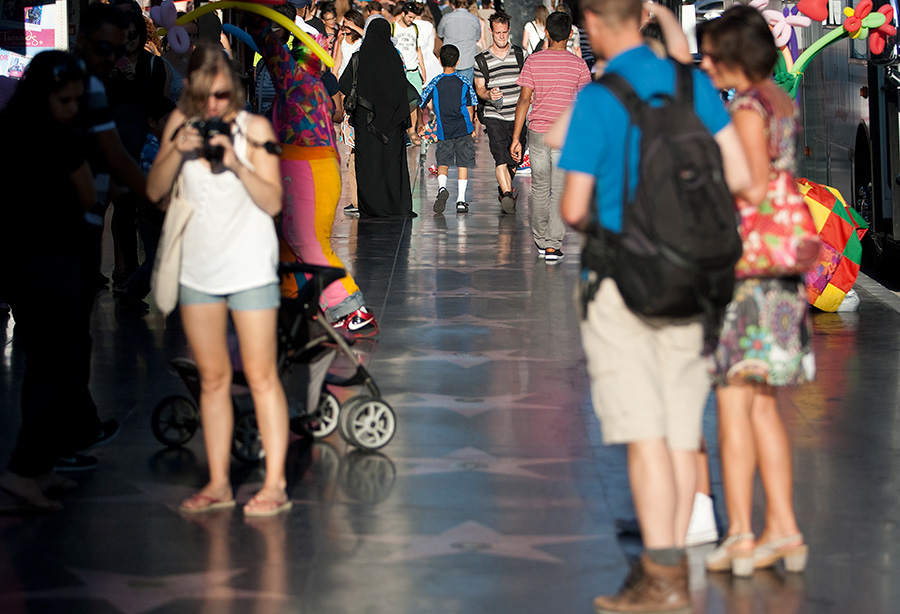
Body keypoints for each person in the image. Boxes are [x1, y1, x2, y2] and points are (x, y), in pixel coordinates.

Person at [557, 0, 750, 610]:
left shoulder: (598, 97)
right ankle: (672, 568)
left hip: (623, 287)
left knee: (643, 436)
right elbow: (742, 175)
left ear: (591, 22)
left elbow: (570, 209)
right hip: (694, 281)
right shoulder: (694, 84)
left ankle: (662, 575)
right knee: (678, 428)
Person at [146, 43, 291, 517]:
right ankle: (219, 482)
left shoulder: (256, 130)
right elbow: (153, 190)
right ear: (189, 92)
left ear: (237, 93)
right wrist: (176, 150)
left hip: (249, 267)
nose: (213, 106)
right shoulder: (178, 126)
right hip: (198, 272)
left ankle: (274, 484)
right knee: (211, 379)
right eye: (204, 96)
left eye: (223, 96)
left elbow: (272, 202)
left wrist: (235, 161)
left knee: (262, 376)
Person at [700, 4, 813, 577]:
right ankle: (785, 530)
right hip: (782, 269)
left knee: (732, 400)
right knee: (765, 403)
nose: (706, 60)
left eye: (714, 51)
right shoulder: (780, 100)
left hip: (747, 270)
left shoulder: (746, 107)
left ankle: (742, 532)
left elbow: (746, 181)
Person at [0, 51, 96, 510]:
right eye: (65, 100)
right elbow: (85, 191)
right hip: (47, 261)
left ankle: (38, 466)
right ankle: (24, 468)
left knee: (48, 362)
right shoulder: (55, 137)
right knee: (56, 364)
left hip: (24, 261)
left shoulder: (11, 126)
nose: (73, 108)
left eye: (77, 100)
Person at [247, 12, 380, 335]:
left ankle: (352, 308)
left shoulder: (295, 82)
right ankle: (294, 304)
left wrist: (260, 15)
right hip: (310, 169)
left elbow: (266, 40)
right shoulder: (313, 84)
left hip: (308, 169)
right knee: (289, 243)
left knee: (309, 244)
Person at [511, 10, 589, 261]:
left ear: (546, 32)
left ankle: (541, 238)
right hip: (565, 135)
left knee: (540, 187)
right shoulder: (579, 65)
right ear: (570, 34)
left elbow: (524, 100)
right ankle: (553, 244)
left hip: (537, 132)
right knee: (559, 189)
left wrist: (516, 137)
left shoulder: (533, 61)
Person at [339, 18, 416, 218]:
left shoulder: (359, 57)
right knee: (392, 165)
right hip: (392, 123)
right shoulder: (394, 58)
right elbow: (403, 90)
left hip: (366, 121)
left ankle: (371, 206)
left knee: (369, 164)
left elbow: (344, 83)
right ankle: (394, 205)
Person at [473, 10, 526, 214]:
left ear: (509, 31)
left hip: (518, 116)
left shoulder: (521, 55)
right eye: (498, 33)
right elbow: (479, 88)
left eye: (504, 32)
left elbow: (528, 85)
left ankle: (504, 190)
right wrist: (488, 94)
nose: (501, 36)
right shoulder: (482, 60)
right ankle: (507, 196)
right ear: (491, 32)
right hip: (494, 116)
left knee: (514, 159)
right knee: (500, 157)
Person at [419, 44, 478, 213]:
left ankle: (442, 189)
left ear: (440, 61)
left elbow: (422, 101)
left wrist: (421, 125)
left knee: (443, 161)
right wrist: (472, 125)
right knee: (463, 164)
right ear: (458, 61)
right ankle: (460, 200)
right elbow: (471, 105)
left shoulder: (435, 82)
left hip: (443, 129)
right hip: (463, 128)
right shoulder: (464, 82)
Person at [392, 2, 427, 144]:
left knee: (414, 101)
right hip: (399, 71)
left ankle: (412, 131)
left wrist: (423, 69)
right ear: (403, 14)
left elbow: (418, 50)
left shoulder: (415, 29)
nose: (411, 20)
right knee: (399, 102)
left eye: (413, 17)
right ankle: (402, 130)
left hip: (413, 70)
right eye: (410, 17)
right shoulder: (393, 28)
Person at [436, 0, 482, 83]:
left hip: (449, 59)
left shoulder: (446, 18)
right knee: (465, 90)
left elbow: (440, 34)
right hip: (467, 59)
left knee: (448, 89)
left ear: (454, 5)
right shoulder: (474, 19)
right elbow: (478, 37)